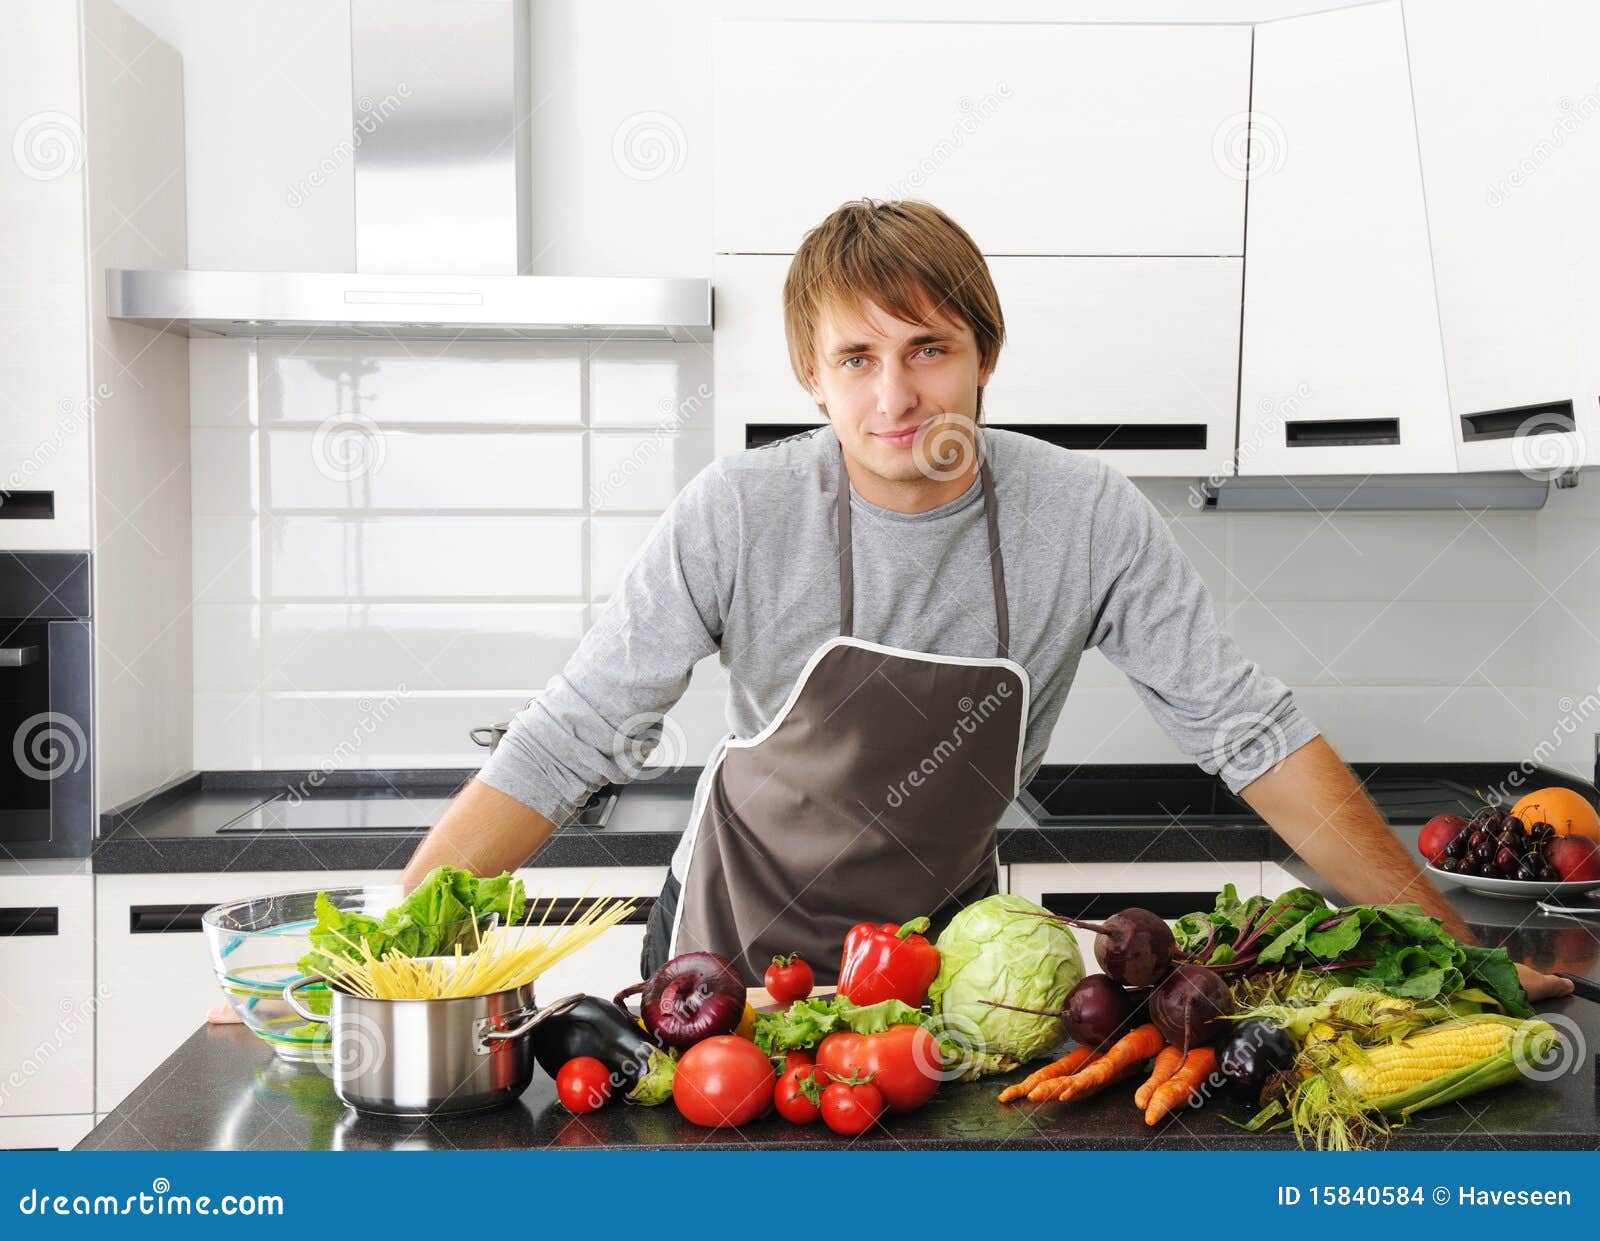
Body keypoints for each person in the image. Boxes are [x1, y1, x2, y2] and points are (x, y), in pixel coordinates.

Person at [401, 198, 1573, 1003]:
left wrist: (1460, 955)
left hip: (944, 963)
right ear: (810, 374)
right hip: (728, 961)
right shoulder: (739, 512)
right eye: (856, 358)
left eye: (929, 347)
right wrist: (386, 955)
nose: (897, 394)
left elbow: (1251, 734)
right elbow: (569, 740)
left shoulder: (1086, 514)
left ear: (985, 354)